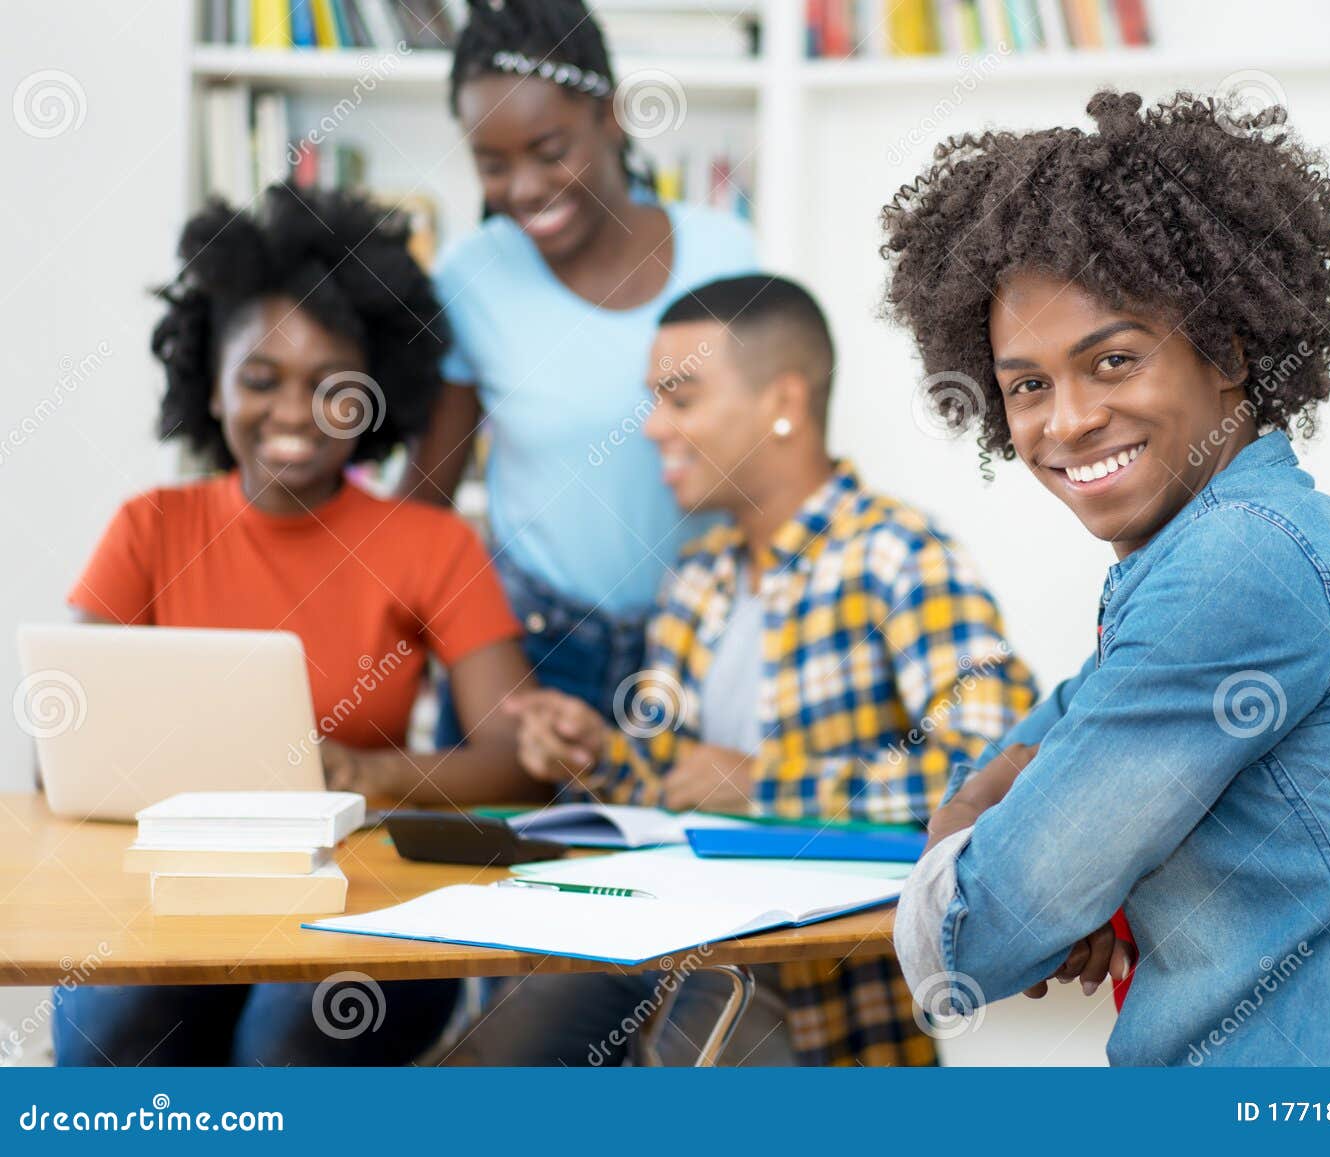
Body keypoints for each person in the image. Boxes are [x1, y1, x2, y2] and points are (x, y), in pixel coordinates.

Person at [883, 90, 1330, 1066]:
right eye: (1028, 385)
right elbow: (1023, 792)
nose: (1068, 420)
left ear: (1226, 351)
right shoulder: (1201, 552)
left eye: (1112, 360)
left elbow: (974, 939)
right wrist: (1002, 827)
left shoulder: (1242, 564)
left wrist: (996, 839)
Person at [446, 275, 1039, 1066]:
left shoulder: (900, 555)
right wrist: (596, 752)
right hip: (670, 931)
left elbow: (1001, 773)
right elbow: (682, 779)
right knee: (487, 1056)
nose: (652, 426)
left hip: (808, 982)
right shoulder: (698, 575)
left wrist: (760, 783)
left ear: (781, 403)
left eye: (680, 398)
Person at [54, 185, 533, 1066]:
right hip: (179, 892)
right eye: (260, 379)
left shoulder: (432, 544)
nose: (294, 413)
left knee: (289, 1040)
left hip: (363, 899)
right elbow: (62, 738)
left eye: (331, 386)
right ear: (211, 386)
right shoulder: (150, 527)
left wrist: (364, 771)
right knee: (113, 1028)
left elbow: (519, 759)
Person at [405, 0, 759, 737]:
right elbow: (427, 498)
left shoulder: (726, 253)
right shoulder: (471, 277)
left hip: (695, 648)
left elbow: (770, 463)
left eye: (549, 150)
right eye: (492, 164)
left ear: (611, 117)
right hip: (531, 653)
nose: (524, 188)